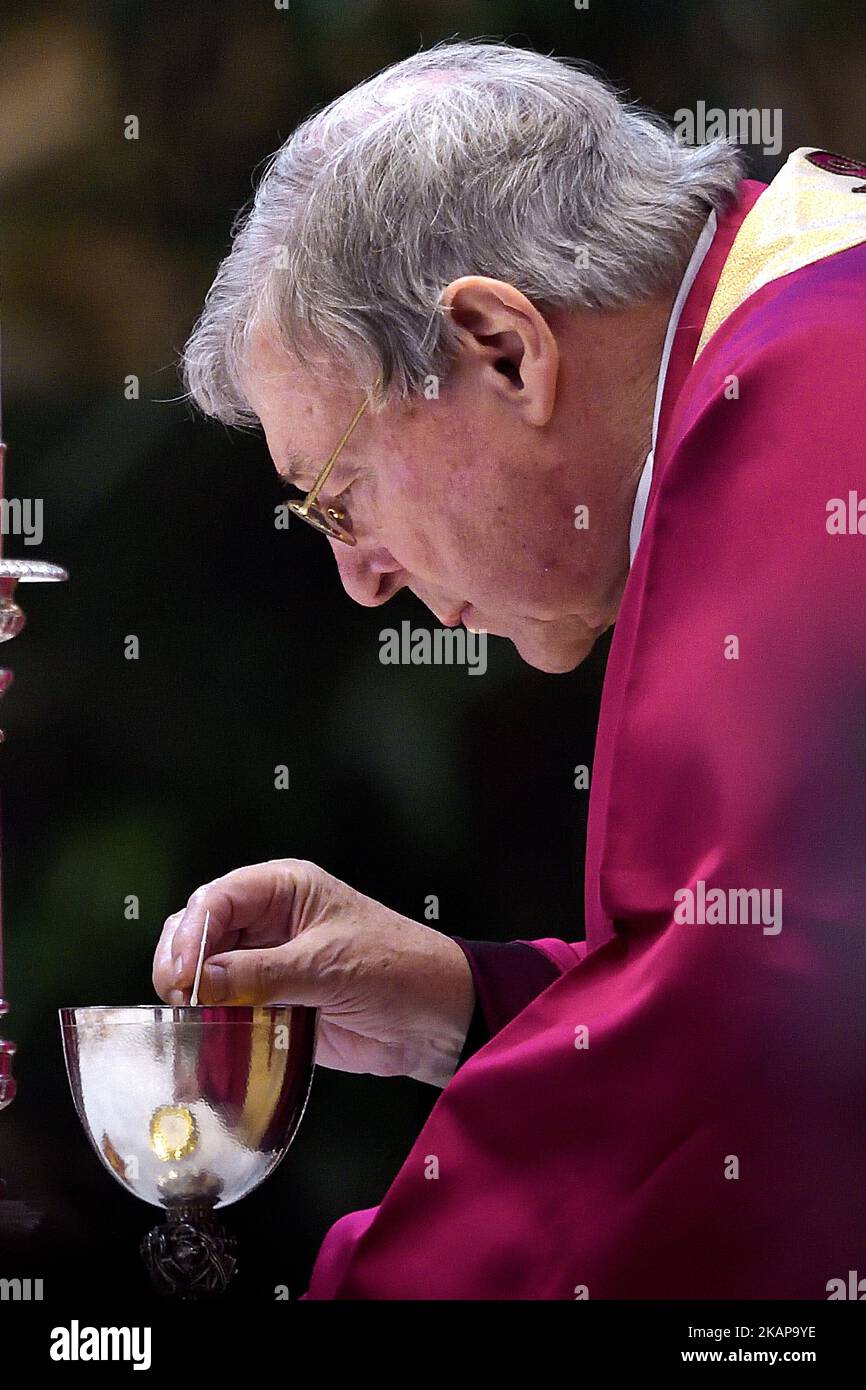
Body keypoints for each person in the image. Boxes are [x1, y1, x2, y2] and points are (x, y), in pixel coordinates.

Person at [153, 42, 866, 1298]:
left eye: (338, 498)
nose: (360, 579)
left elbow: (739, 1063)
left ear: (499, 347)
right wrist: (471, 1001)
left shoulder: (814, 401)